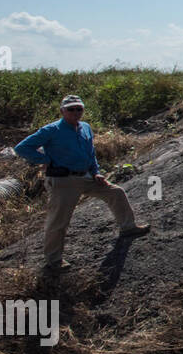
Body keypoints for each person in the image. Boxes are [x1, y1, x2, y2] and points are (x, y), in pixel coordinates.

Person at [14, 95, 151, 270]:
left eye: (79, 109)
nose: (75, 112)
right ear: (62, 110)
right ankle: (54, 260)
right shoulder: (51, 130)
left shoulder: (85, 127)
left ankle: (128, 227)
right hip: (62, 181)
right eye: (71, 109)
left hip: (85, 176)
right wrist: (46, 159)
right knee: (59, 220)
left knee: (116, 192)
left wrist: (96, 173)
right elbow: (21, 148)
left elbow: (90, 153)